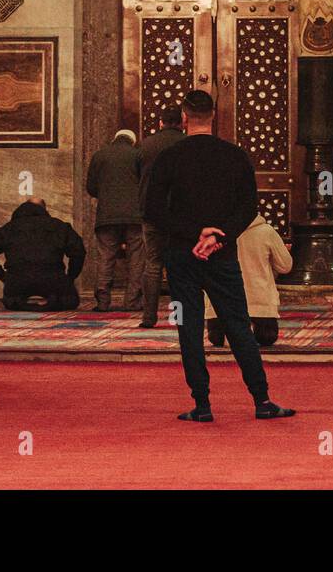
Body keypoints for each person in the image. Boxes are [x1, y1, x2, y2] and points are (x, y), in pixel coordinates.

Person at [143, 90, 294, 422]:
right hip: (222, 256)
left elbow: (152, 209)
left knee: (189, 327)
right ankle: (262, 400)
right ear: (214, 116)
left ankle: (202, 404)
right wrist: (217, 236)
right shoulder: (235, 157)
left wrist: (191, 235)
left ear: (184, 117)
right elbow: (248, 208)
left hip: (182, 256)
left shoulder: (169, 158)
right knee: (238, 324)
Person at [0, 198, 86, 312]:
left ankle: (16, 301)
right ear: (44, 209)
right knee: (69, 300)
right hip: (53, 278)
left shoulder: (10, 228)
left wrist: (3, 277)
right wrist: (70, 277)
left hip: (18, 280)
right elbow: (78, 252)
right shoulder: (59, 226)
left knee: (12, 300)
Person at [206, 214, 292, 348]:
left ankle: (232, 333)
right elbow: (285, 266)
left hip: (220, 307)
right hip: (260, 308)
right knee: (266, 338)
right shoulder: (266, 231)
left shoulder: (213, 233)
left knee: (216, 338)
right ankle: (249, 329)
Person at [135, 107, 185, 328]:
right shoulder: (186, 144)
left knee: (153, 264)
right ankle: (179, 317)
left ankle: (148, 317)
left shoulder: (145, 145)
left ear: (160, 122)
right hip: (180, 214)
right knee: (179, 266)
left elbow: (137, 176)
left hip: (151, 212)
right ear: (182, 122)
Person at [85, 128, 145, 312]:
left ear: (115, 137)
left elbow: (91, 188)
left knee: (106, 258)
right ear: (132, 141)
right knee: (136, 258)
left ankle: (103, 302)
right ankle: (132, 302)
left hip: (107, 216)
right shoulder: (138, 155)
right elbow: (145, 184)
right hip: (135, 216)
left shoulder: (99, 155)